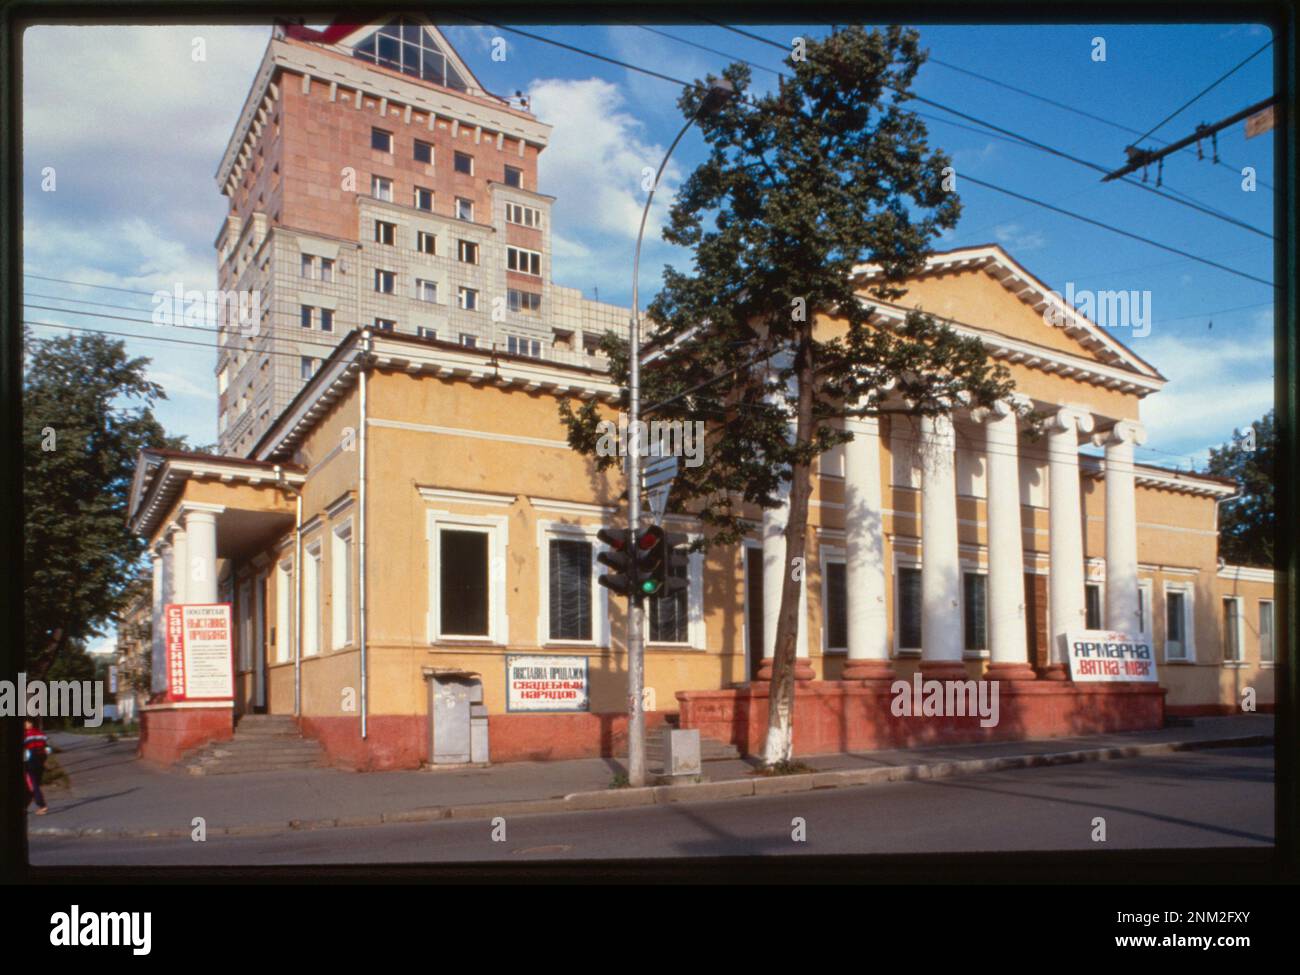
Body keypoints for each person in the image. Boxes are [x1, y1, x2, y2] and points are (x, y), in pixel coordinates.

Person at [23, 719, 50, 815]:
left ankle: (42, 806)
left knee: (32, 784)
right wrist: (44, 759)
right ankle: (24, 806)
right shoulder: (41, 734)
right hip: (40, 761)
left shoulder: (25, 735)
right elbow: (48, 748)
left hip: (30, 763)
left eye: (25, 723)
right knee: (32, 784)